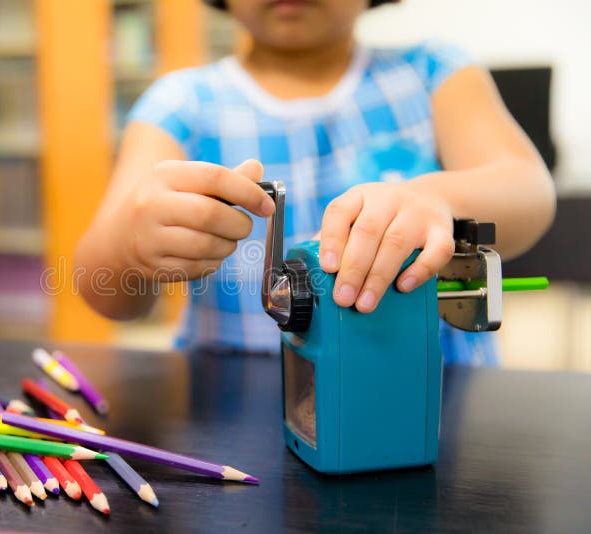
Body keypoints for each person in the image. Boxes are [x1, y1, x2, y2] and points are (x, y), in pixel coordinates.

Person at [75, 0, 555, 364]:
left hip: (430, 390)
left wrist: (436, 199)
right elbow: (98, 286)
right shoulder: (180, 104)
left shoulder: (434, 72)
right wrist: (127, 249)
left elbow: (528, 191)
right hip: (232, 404)